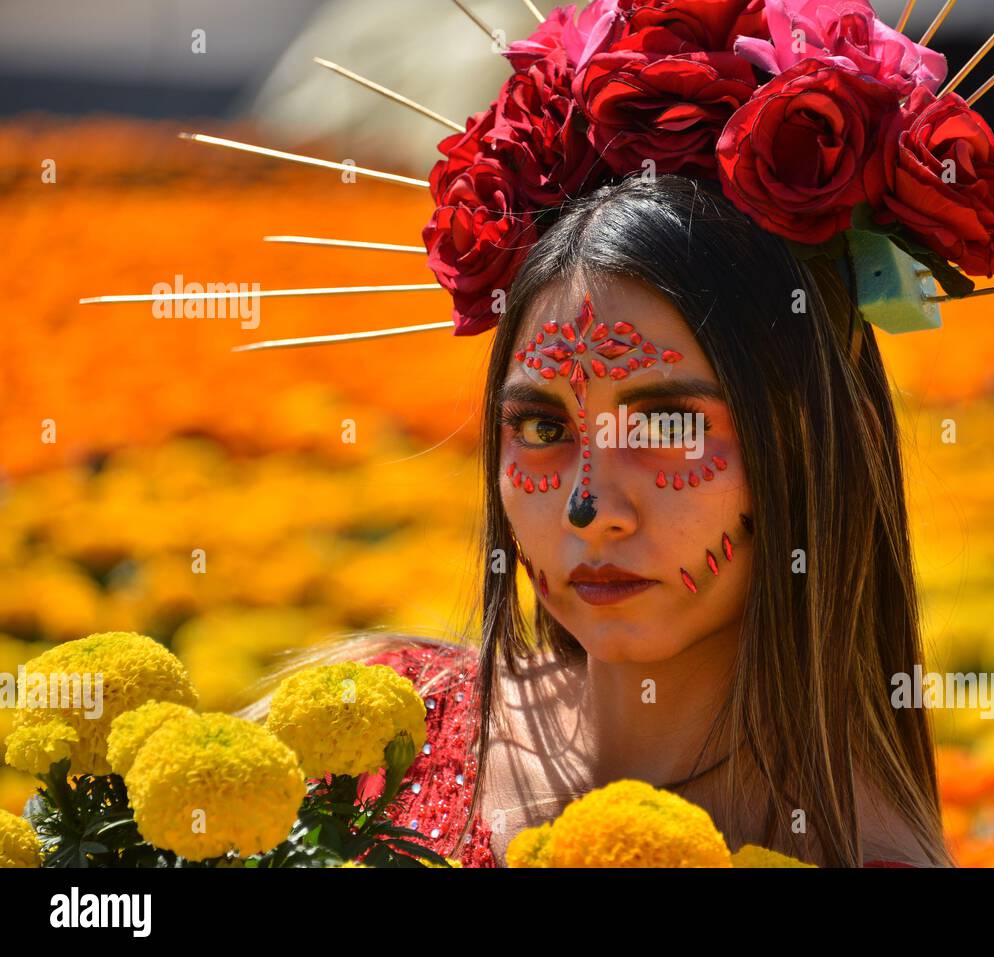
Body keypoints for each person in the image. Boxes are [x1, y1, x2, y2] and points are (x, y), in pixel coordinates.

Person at [242, 173, 953, 868]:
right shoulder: (371, 735)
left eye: (667, 424)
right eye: (544, 427)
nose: (590, 508)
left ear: (811, 443)